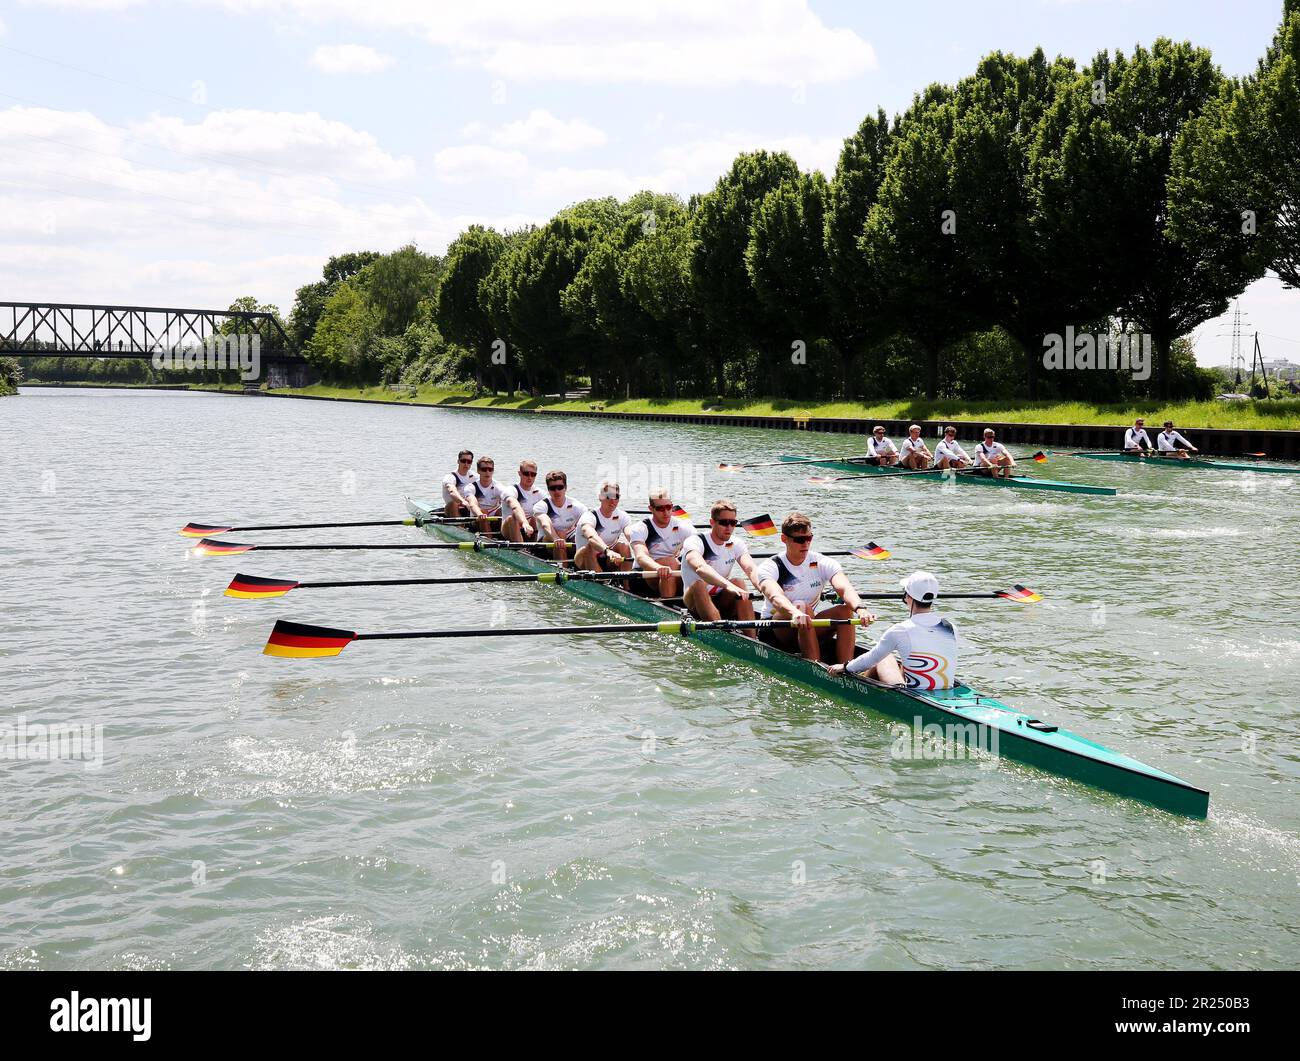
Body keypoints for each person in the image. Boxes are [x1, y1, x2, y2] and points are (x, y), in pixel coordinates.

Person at [752, 512, 876, 663]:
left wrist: (860, 608)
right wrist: (794, 613)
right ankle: (814, 666)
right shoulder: (771, 566)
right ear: (784, 539)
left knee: (844, 610)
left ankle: (847, 667)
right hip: (777, 630)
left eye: (809, 538)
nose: (805, 544)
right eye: (799, 539)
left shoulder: (822, 562)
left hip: (806, 624)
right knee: (802, 607)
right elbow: (775, 596)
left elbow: (844, 588)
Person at [829, 571, 959, 691]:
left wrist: (845, 667)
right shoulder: (951, 627)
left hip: (914, 694)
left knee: (884, 657)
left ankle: (859, 691)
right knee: (906, 658)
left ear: (907, 596)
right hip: (947, 691)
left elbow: (871, 658)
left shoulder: (900, 630)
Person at [680, 499, 763, 636]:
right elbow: (700, 567)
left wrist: (766, 590)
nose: (729, 527)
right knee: (699, 584)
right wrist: (726, 585)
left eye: (733, 523)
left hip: (720, 596)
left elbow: (751, 569)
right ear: (712, 522)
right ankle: (719, 634)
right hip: (694, 599)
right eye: (724, 522)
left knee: (738, 582)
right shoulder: (695, 541)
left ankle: (753, 641)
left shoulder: (736, 543)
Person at [626, 487, 693, 598]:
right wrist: (658, 567)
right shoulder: (641, 528)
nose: (666, 512)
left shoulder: (683, 526)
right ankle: (669, 604)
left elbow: (699, 550)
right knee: (669, 562)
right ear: (651, 509)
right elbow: (641, 556)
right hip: (644, 576)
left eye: (668, 507)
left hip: (670, 571)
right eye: (660, 508)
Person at [573, 481, 633, 572]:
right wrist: (608, 551)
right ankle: (601, 582)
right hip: (584, 560)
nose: (613, 501)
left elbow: (630, 534)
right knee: (590, 547)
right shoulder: (589, 516)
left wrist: (641, 548)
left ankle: (627, 585)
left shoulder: (623, 516)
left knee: (624, 546)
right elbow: (591, 537)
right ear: (601, 497)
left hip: (608, 558)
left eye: (616, 497)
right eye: (608, 496)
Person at [532, 471, 588, 565]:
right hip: (545, 545)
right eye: (553, 488)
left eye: (560, 487)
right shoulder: (541, 506)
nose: (557, 491)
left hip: (567, 541)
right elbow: (546, 524)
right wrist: (556, 539)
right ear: (548, 490)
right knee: (560, 536)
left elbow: (589, 523)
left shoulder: (576, 505)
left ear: (565, 488)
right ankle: (564, 571)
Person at [499, 460, 543, 543]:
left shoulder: (539, 492)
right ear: (520, 473)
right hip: (510, 529)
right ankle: (520, 547)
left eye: (533, 474)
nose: (529, 477)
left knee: (538, 516)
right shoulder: (511, 490)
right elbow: (515, 507)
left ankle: (534, 547)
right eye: (526, 474)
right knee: (512, 517)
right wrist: (524, 523)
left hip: (529, 529)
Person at [464, 456, 504, 535]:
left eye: (490, 469)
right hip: (478, 518)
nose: (487, 472)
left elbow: (509, 499)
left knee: (503, 510)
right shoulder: (471, 487)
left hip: (494, 518)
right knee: (483, 516)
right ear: (478, 471)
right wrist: (479, 514)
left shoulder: (499, 487)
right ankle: (489, 540)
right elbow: (472, 504)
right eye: (484, 469)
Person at [441, 449, 478, 518]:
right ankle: (459, 527)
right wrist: (462, 501)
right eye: (463, 461)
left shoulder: (474, 476)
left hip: (469, 508)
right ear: (458, 461)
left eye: (469, 461)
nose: (466, 464)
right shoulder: (450, 477)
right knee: (454, 504)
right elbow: (452, 491)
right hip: (452, 509)